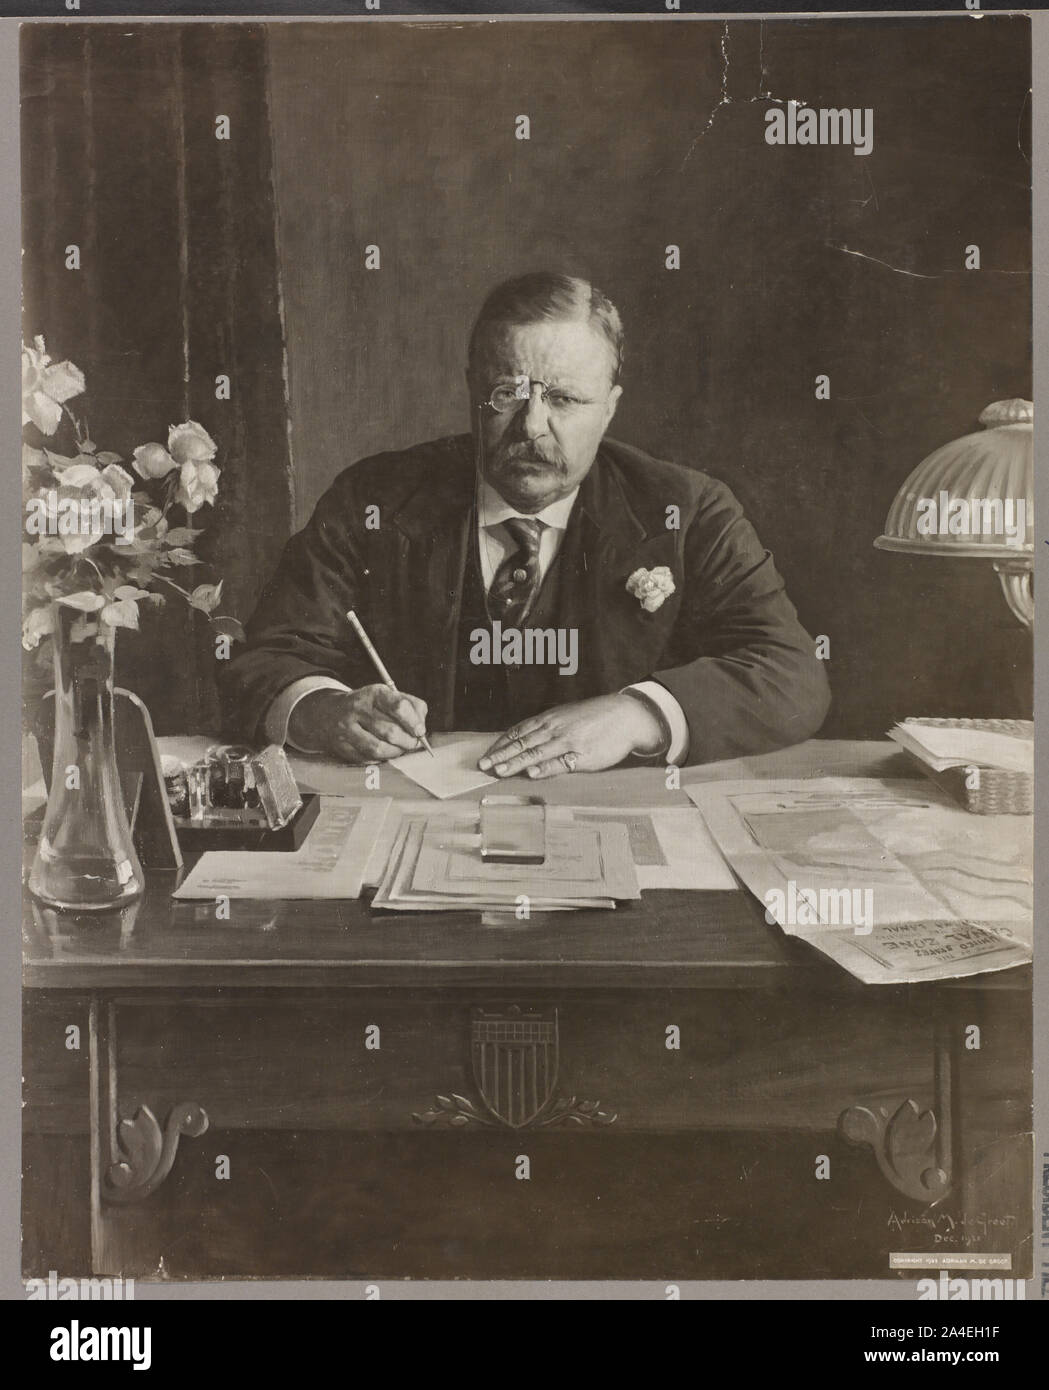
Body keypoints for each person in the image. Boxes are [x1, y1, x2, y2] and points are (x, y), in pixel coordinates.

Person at [221, 273, 830, 777]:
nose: (532, 426)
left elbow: (793, 673)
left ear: (610, 408)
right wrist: (323, 710)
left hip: (614, 818)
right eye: (506, 393)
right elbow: (264, 657)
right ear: (470, 391)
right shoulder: (374, 498)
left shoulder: (688, 510)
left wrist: (636, 715)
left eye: (563, 399)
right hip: (417, 817)